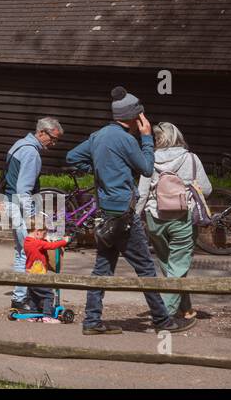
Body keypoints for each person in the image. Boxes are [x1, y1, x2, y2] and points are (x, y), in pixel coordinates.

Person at [66, 87, 193, 335]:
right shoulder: (126, 139)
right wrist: (146, 138)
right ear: (134, 117)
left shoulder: (98, 136)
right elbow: (146, 168)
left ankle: (92, 321)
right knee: (145, 269)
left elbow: (72, 157)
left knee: (102, 269)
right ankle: (162, 321)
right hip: (124, 215)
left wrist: (98, 169)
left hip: (106, 214)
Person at [136, 122, 212, 321]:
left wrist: (136, 216)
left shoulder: (149, 160)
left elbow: (142, 192)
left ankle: (185, 308)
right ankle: (165, 314)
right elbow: (207, 189)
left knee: (170, 265)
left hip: (155, 217)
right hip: (182, 217)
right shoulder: (191, 159)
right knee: (178, 265)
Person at [3, 117, 64, 312]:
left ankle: (23, 294)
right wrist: (32, 219)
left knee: (21, 251)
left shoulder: (19, 144)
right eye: (53, 138)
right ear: (41, 133)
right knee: (26, 252)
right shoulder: (31, 152)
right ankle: (20, 299)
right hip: (19, 207)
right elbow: (24, 190)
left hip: (10, 202)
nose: (53, 144)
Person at [19, 214, 71, 321]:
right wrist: (64, 241)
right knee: (48, 294)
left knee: (34, 296)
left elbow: (43, 244)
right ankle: (47, 316)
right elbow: (51, 246)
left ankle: (33, 315)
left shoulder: (27, 242)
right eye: (44, 234)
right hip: (39, 276)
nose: (44, 236)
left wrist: (45, 240)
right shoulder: (38, 243)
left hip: (29, 275)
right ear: (37, 231)